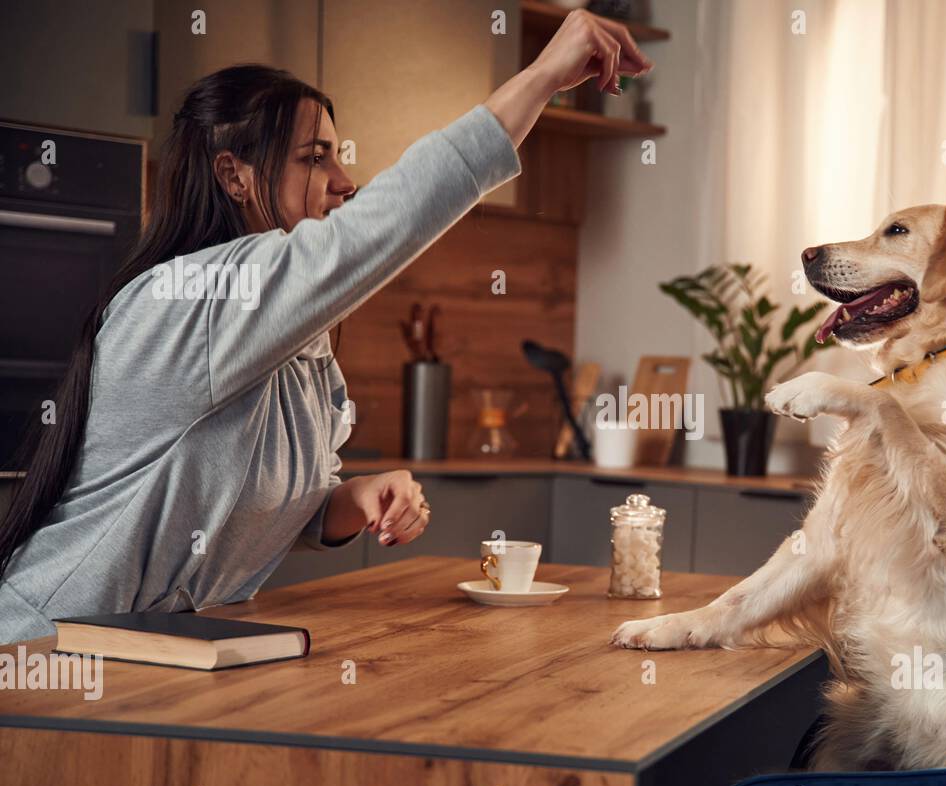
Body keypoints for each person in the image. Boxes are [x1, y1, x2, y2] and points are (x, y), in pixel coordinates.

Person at [0, 10, 653, 644]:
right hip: (42, 650)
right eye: (315, 159)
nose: (344, 182)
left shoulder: (290, 342)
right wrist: (540, 74)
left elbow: (250, 497)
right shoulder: (193, 297)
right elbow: (382, 224)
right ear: (234, 174)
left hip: (153, 653)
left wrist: (352, 499)